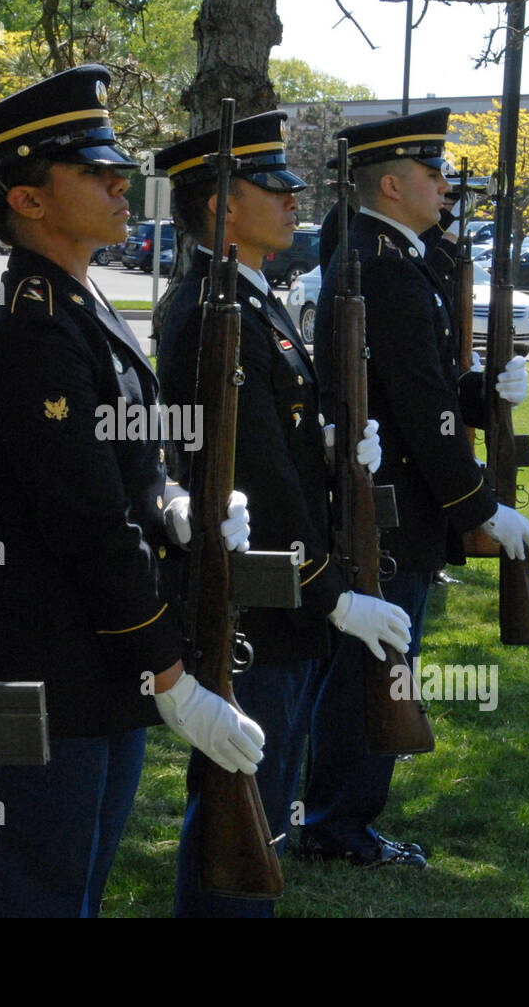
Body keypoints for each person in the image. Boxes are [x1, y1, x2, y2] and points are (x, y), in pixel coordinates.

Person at [0, 65, 263, 918]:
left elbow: (132, 467)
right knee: (33, 893)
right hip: (46, 662)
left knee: (74, 887)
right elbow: (88, 523)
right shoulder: (36, 330)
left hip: (100, 660)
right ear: (30, 199)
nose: (123, 183)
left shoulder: (85, 303)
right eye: (94, 171)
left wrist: (176, 507)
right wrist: (171, 675)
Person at [154, 112, 412, 917]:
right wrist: (330, 589)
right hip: (258, 602)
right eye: (275, 187)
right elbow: (256, 478)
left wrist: (334, 441)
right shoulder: (211, 307)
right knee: (243, 793)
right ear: (225, 205)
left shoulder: (251, 299)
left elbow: (284, 440)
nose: (294, 201)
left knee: (260, 795)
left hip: (284, 604)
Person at [303, 109, 529, 867]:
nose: (445, 185)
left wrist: (482, 394)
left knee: (375, 664)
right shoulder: (385, 268)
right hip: (391, 509)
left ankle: (340, 816)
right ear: (394, 184)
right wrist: (477, 506)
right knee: (373, 671)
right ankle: (340, 823)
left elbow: (431, 390)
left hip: (394, 500)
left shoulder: (394, 259)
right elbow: (420, 410)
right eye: (432, 174)